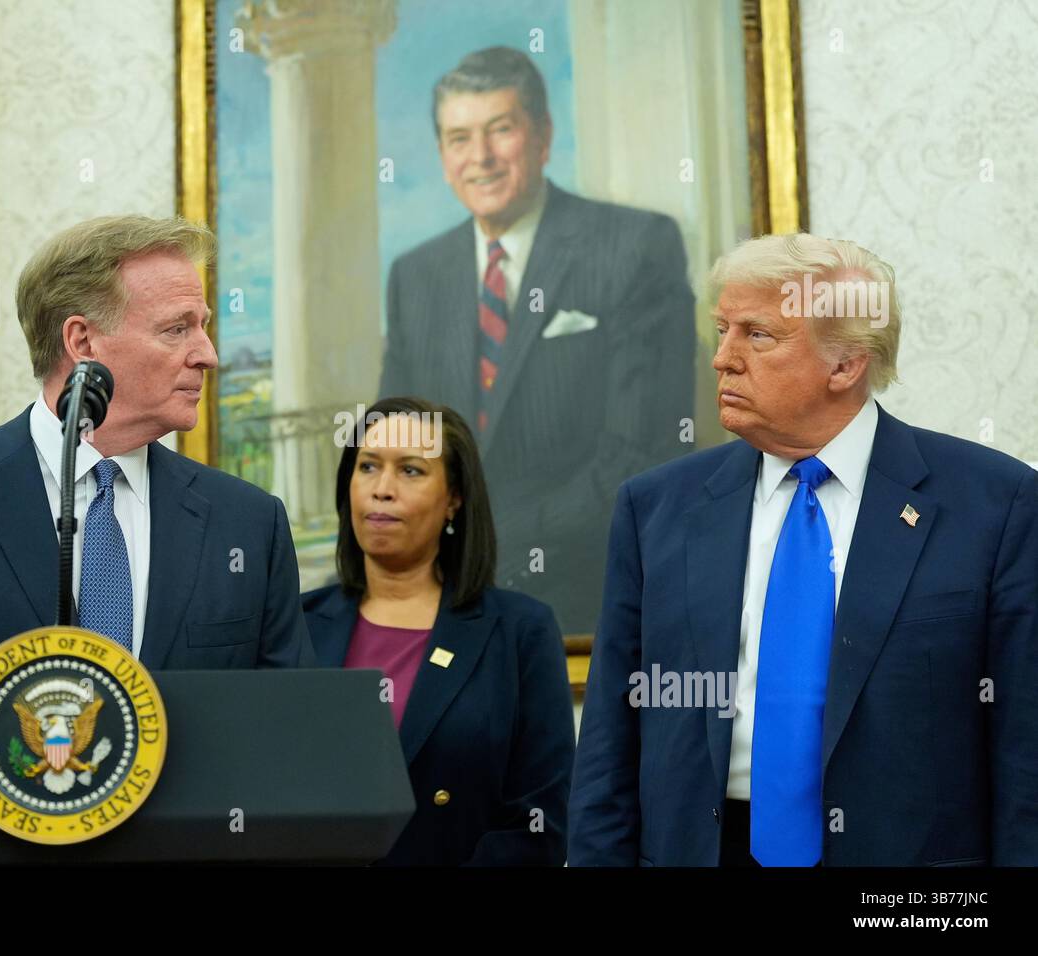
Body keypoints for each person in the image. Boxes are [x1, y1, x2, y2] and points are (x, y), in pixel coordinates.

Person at [568, 233, 1038, 866]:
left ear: (845, 364)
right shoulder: (657, 509)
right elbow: (610, 736)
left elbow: (1025, 750)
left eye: (757, 335)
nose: (722, 358)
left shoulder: (996, 504)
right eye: (722, 329)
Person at [0, 215, 314, 673]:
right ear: (81, 342)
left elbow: (286, 723)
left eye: (202, 326)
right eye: (177, 329)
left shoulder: (248, 524)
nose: (208, 355)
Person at [379, 46, 694, 636]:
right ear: (443, 157)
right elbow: (394, 447)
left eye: (501, 130)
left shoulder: (634, 247)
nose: (481, 158)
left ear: (543, 137)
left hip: (594, 602)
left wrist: (483, 538)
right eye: (459, 138)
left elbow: (643, 454)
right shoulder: (414, 275)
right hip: (444, 607)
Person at [303, 397, 575, 865]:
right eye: (368, 467)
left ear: (454, 498)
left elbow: (542, 821)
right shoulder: (300, 624)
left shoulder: (520, 631)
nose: (382, 489)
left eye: (410, 471)